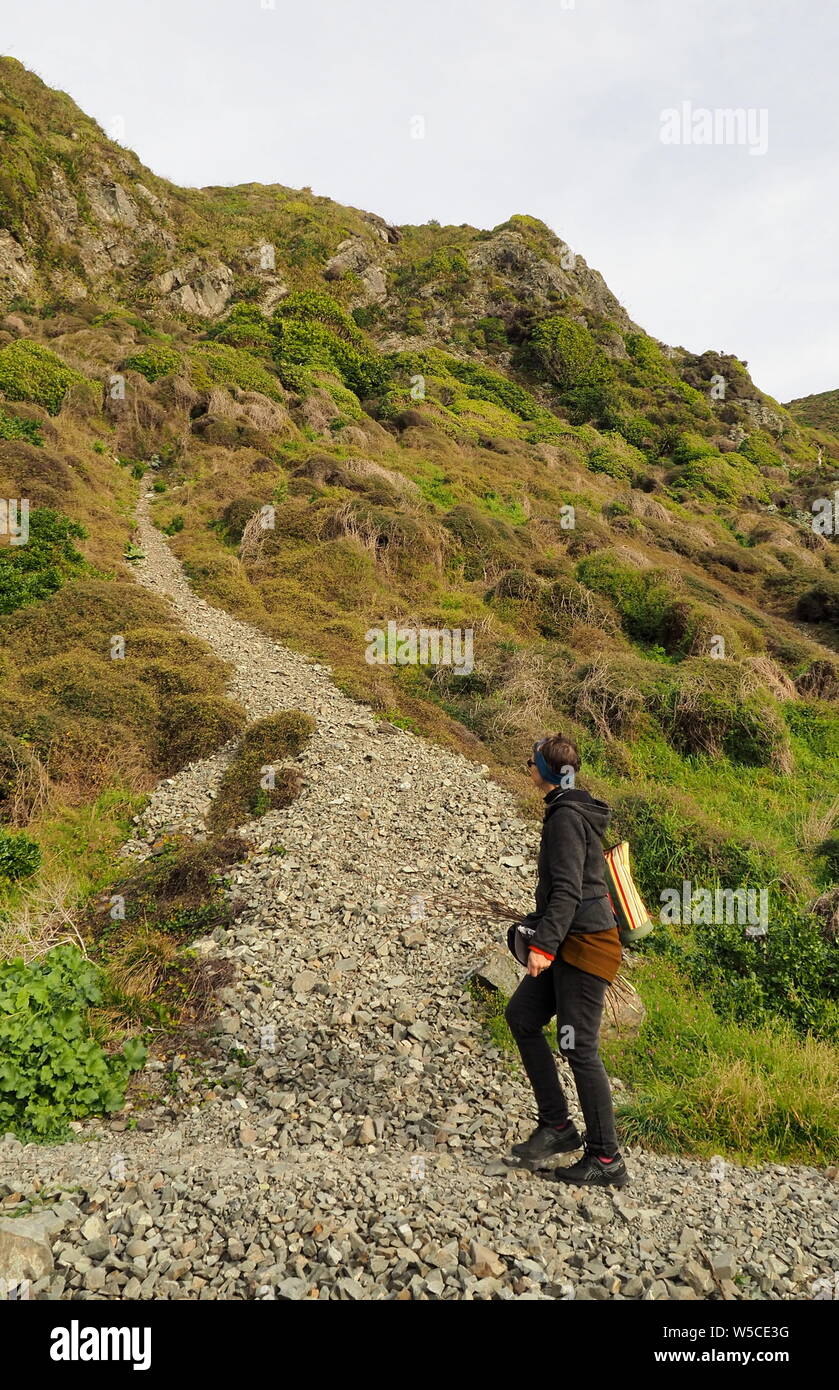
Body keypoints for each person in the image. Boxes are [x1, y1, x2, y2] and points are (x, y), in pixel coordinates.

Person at [504, 734, 629, 1187]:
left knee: (578, 1046)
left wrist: (542, 947)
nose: (528, 766)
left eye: (531, 760)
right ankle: (557, 1127)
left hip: (585, 944)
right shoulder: (571, 806)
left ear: (543, 768)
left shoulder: (565, 818)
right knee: (522, 1015)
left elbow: (568, 890)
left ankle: (606, 1160)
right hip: (568, 940)